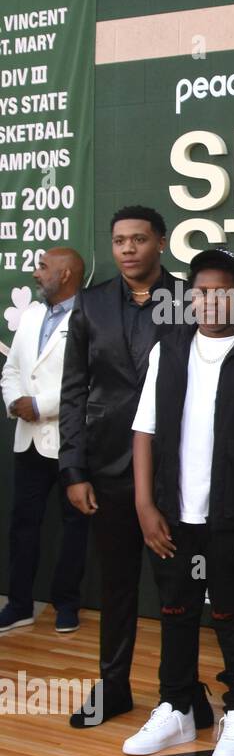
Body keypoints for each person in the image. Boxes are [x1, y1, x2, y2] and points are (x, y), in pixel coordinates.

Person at [126, 249, 234, 756]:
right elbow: (144, 430)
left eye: (222, 292)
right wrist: (143, 504)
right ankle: (177, 706)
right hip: (173, 516)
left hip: (233, 520)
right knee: (175, 611)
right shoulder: (169, 351)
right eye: (201, 292)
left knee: (232, 615)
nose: (210, 302)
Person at [60, 206, 195, 728]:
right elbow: (73, 391)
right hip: (109, 466)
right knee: (116, 588)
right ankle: (112, 687)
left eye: (139, 239)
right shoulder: (89, 305)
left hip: (178, 469)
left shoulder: (190, 299)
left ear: (160, 243)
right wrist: (73, 469)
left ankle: (177, 695)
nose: (128, 249)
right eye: (119, 241)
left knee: (179, 590)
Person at [0, 248, 90, 635]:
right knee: (23, 525)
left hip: (70, 441)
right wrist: (14, 402)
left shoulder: (90, 315)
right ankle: (19, 604)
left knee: (74, 528)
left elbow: (91, 381)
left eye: (42, 267)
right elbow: (13, 370)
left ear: (65, 273)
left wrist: (40, 404)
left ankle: (65, 604)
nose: (36, 274)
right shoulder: (32, 315)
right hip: (28, 441)